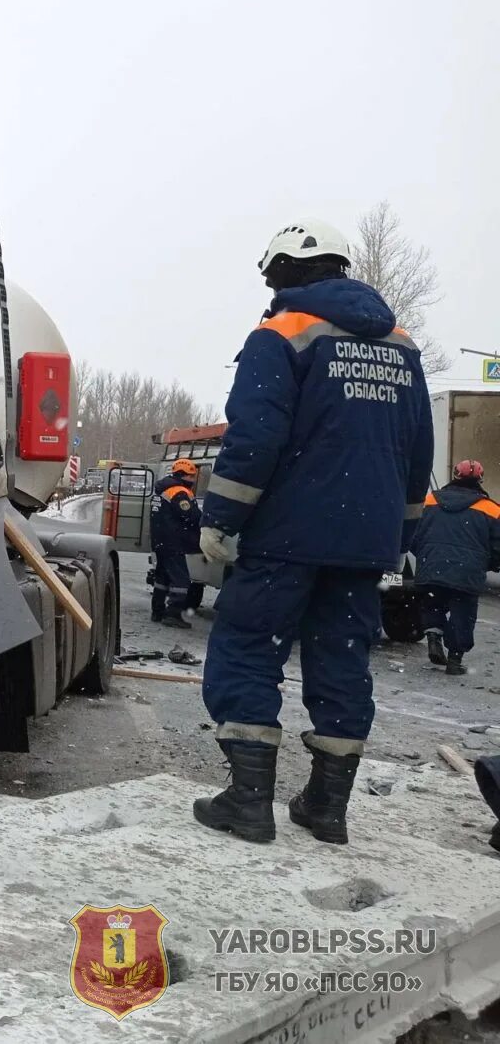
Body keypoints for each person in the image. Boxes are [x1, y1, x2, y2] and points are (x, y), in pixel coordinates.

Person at [191, 218, 433, 846]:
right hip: (363, 543)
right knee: (343, 659)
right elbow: (417, 449)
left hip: (285, 538)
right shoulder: (401, 346)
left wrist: (221, 519)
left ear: (281, 273)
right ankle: (326, 808)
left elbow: (256, 436)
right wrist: (401, 536)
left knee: (247, 648)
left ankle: (248, 803)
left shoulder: (282, 334)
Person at [414, 460, 500, 676]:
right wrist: (489, 564)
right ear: (479, 480)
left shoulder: (430, 500)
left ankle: (433, 636)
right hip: (467, 573)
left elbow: (413, 534)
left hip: (432, 566)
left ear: (455, 476)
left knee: (433, 603)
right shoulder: (491, 509)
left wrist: (426, 556)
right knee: (463, 614)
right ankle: (455, 660)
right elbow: (498, 546)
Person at [150, 459, 203, 653]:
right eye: (191, 476)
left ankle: (157, 611)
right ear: (182, 475)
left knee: (162, 578)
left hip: (161, 540)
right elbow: (191, 516)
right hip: (174, 542)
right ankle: (173, 613)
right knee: (181, 581)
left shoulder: (162, 488)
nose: (193, 480)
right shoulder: (179, 492)